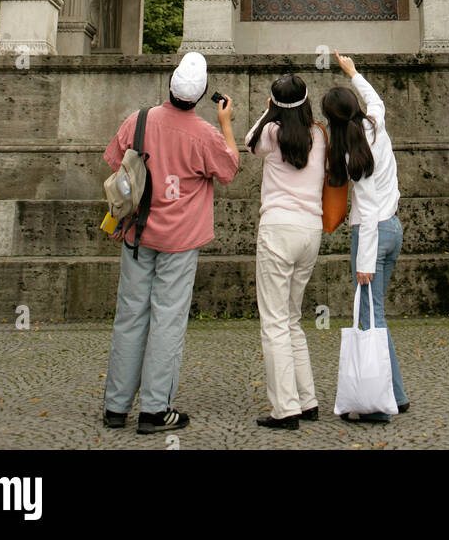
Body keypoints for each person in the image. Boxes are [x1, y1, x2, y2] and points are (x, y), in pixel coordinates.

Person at [101, 50, 238, 434]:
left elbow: (116, 162)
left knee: (129, 316)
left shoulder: (138, 121)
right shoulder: (205, 135)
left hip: (137, 234)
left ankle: (116, 407)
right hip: (180, 241)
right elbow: (228, 169)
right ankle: (155, 410)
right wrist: (225, 124)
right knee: (167, 320)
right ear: (201, 94)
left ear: (171, 86)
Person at [323, 50, 409, 422]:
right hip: (394, 228)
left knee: (371, 317)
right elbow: (377, 100)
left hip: (372, 234)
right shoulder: (376, 125)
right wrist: (353, 72)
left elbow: (367, 208)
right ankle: (396, 395)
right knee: (374, 313)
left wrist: (363, 262)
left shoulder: (344, 154)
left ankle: (379, 401)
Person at [245, 74, 326, 430]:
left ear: (276, 103)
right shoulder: (320, 135)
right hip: (310, 229)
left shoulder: (271, 133)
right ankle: (307, 400)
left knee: (275, 321)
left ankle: (286, 409)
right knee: (292, 318)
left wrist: (267, 114)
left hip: (278, 228)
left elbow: (248, 142)